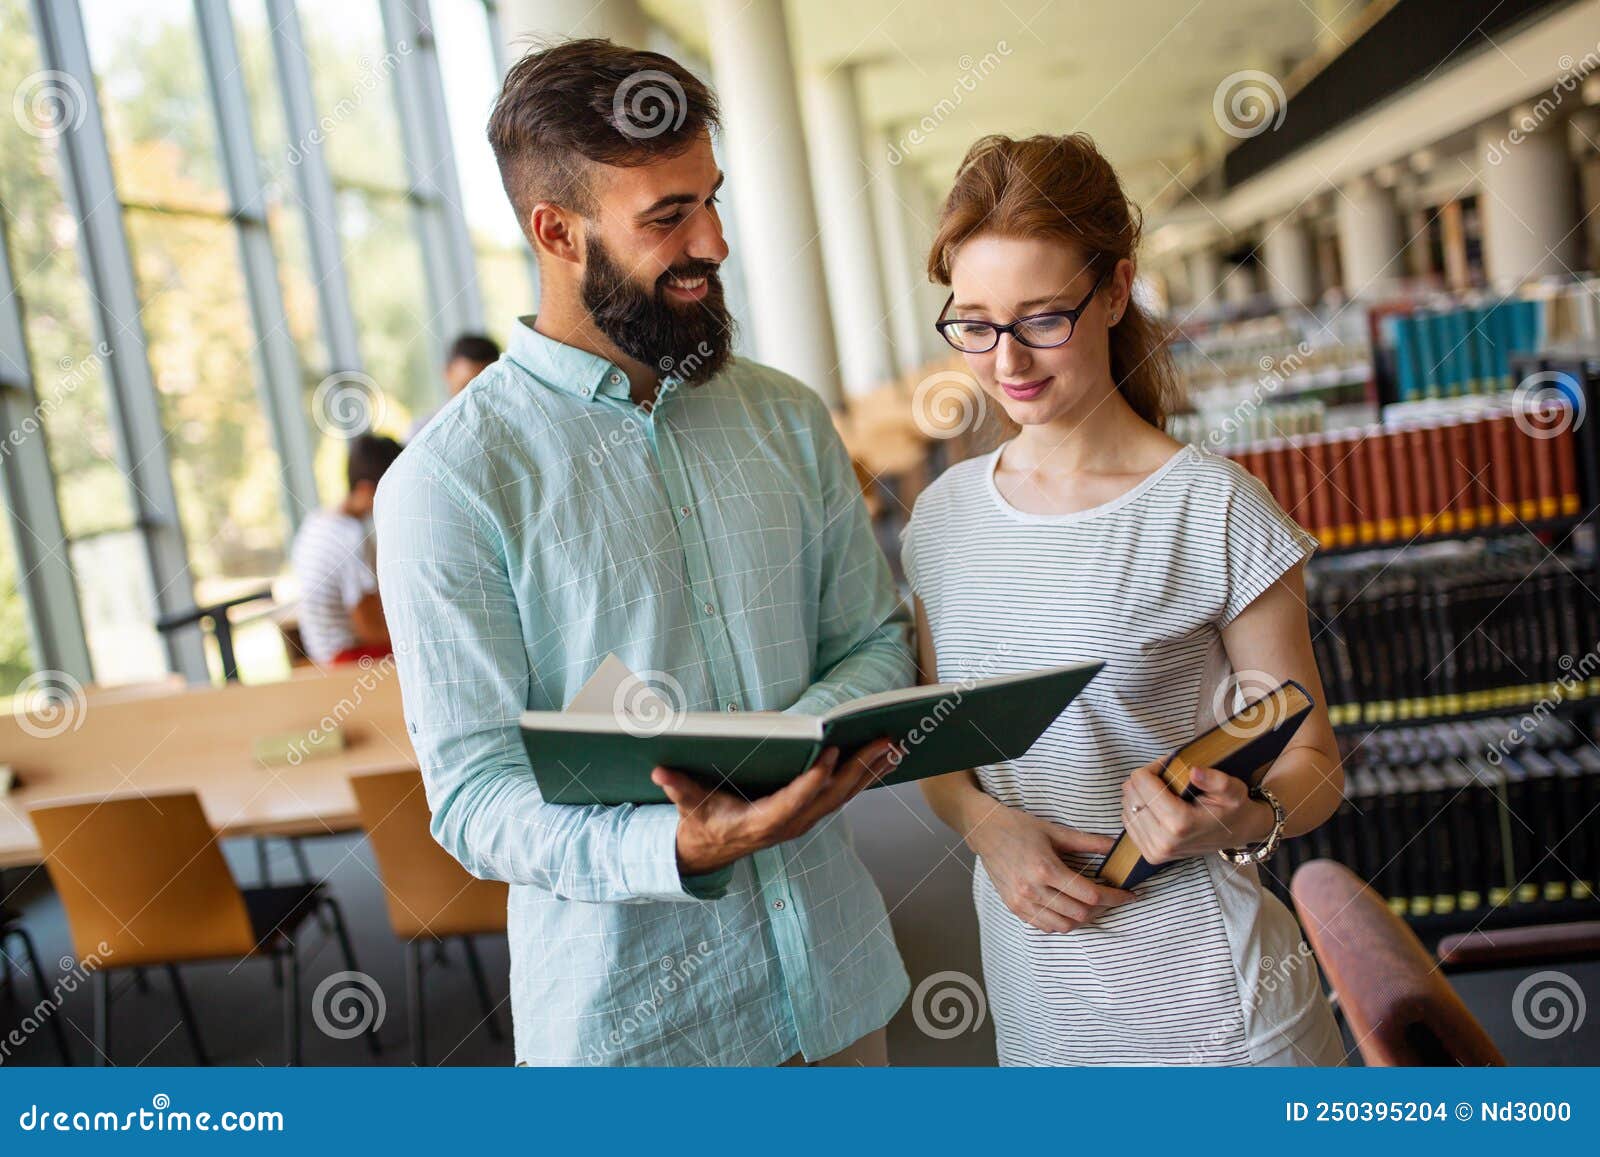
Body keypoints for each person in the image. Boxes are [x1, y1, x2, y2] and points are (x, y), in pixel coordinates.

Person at [374, 38, 913, 1067]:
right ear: (556, 232)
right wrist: (674, 844)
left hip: (841, 989)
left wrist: (783, 748)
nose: (712, 239)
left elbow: (872, 638)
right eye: (666, 217)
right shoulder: (447, 485)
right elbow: (476, 795)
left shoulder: (788, 418)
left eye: (710, 198)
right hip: (637, 1039)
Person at [903, 133, 1347, 1066]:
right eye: (975, 323)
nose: (1007, 360)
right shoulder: (941, 520)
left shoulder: (1213, 506)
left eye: (1041, 319)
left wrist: (1237, 818)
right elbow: (940, 748)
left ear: (1113, 291)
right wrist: (989, 829)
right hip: (1043, 1010)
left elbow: (1315, 768)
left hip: (1221, 1014)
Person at [289, 433, 402, 665]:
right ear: (365, 490)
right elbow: (370, 630)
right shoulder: (351, 536)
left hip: (321, 654)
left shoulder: (316, 522)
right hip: (346, 657)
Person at [405, 333, 501, 441]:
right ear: (447, 372)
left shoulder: (508, 428)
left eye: (482, 388)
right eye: (464, 386)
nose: (472, 397)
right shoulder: (421, 434)